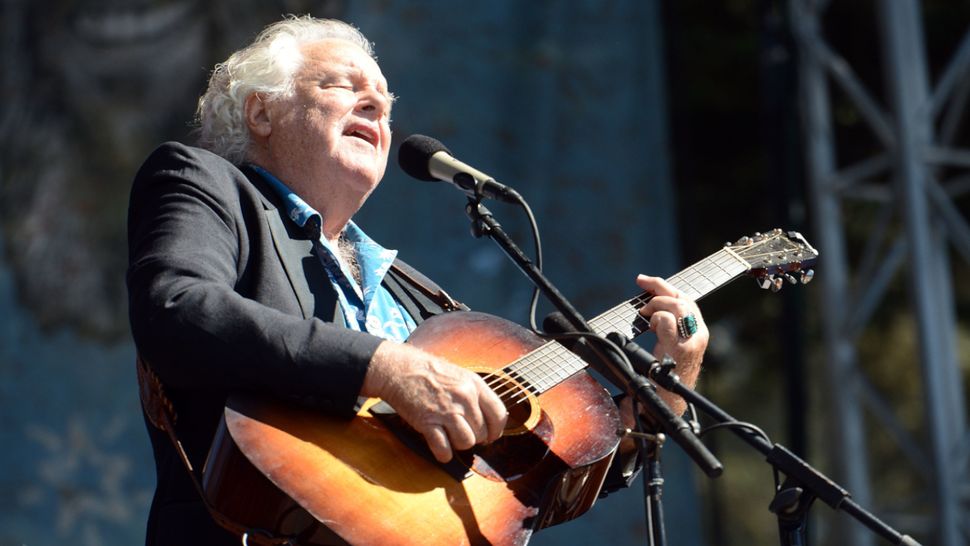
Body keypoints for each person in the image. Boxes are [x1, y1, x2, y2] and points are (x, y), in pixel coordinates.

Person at [127, 15, 708, 546]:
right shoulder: (206, 184)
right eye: (341, 86)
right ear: (262, 112)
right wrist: (384, 366)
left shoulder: (418, 298)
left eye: (382, 105)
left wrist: (660, 396)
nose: (375, 110)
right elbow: (178, 309)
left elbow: (517, 490)